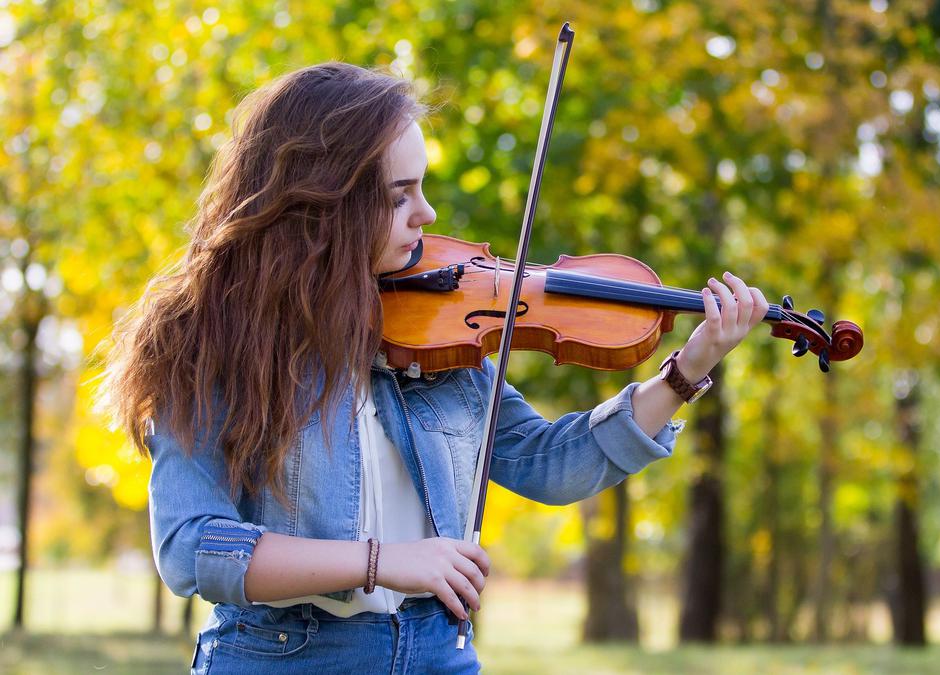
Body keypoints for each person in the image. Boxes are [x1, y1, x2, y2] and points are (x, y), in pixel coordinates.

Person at [102, 61, 769, 674]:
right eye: (399, 196)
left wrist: (687, 370)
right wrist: (383, 563)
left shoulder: (438, 333)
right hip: (283, 655)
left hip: (434, 650)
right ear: (325, 201)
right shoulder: (210, 342)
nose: (427, 214)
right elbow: (193, 547)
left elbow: (550, 463)